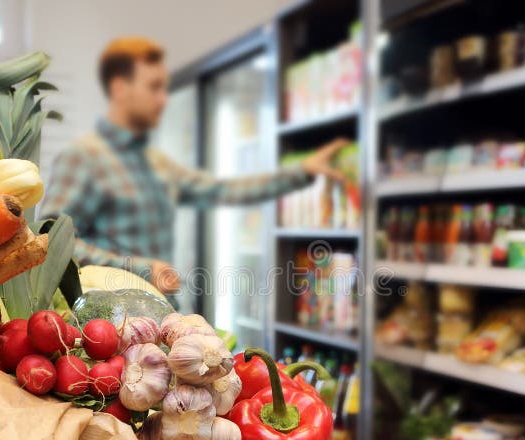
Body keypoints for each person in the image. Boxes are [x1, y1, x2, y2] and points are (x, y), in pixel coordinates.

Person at [39, 36, 347, 296]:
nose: (163, 99)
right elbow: (52, 245)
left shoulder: (155, 162)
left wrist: (303, 170)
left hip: (160, 319)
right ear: (120, 88)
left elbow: (222, 190)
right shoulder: (83, 157)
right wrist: (141, 269)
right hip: (105, 330)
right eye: (154, 87)